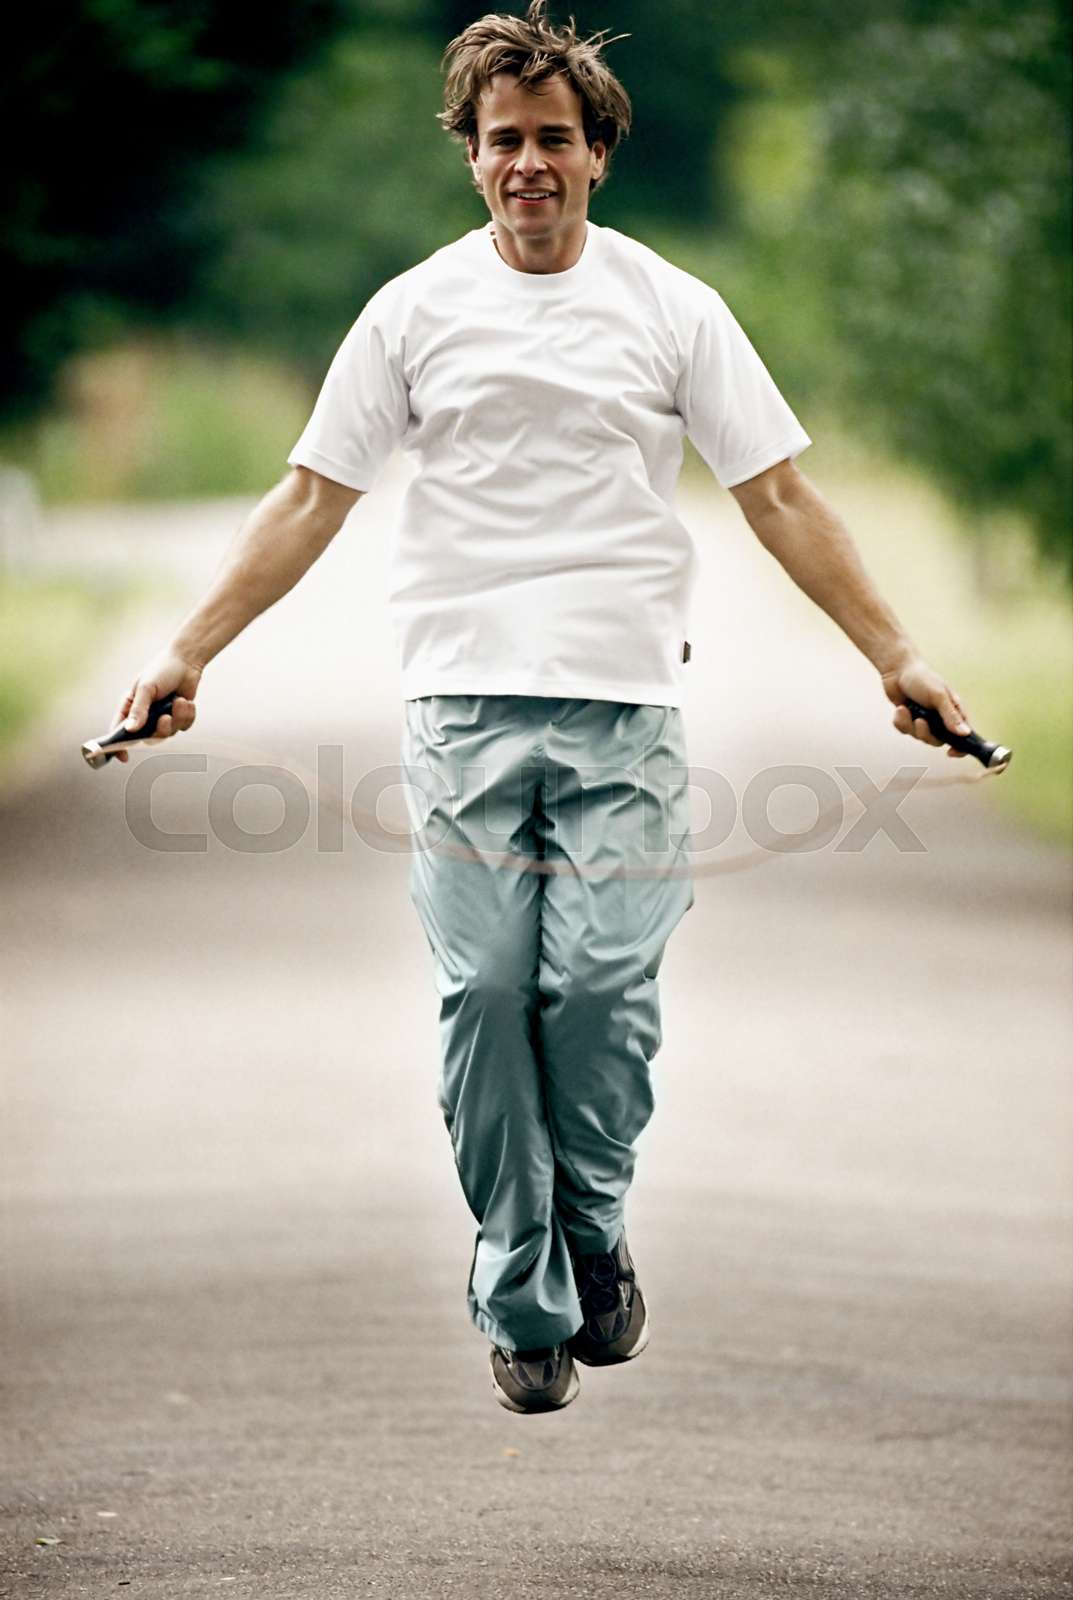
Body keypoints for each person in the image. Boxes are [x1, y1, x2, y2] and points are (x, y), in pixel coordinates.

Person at [111, 1, 973, 1415]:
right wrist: (188, 651)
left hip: (623, 708)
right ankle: (522, 1288)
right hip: (459, 708)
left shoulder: (671, 306)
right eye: (503, 140)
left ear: (597, 154)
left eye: (554, 140)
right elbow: (311, 495)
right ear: (468, 154)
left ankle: (588, 1224)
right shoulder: (411, 311)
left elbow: (780, 493)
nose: (529, 164)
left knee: (596, 997)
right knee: (485, 994)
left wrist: (895, 656)